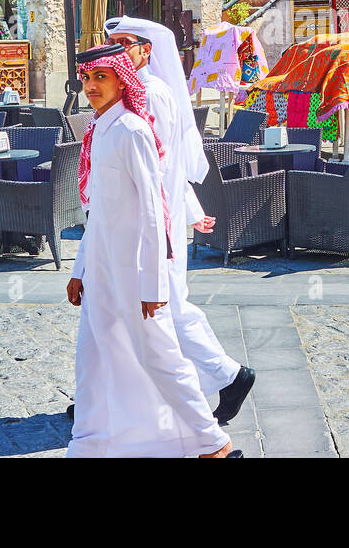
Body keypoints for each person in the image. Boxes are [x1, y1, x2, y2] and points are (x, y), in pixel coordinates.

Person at [66, 43, 235, 458]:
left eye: (100, 77)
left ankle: (214, 443)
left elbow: (152, 212)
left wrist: (153, 284)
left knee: (161, 359)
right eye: (86, 77)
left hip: (135, 272)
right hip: (101, 273)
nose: (91, 86)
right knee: (93, 360)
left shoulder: (132, 131)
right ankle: (89, 442)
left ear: (122, 80)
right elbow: (97, 214)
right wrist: (80, 268)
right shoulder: (97, 130)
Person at [103, 15, 255, 423]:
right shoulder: (131, 91)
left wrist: (178, 214)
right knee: (132, 311)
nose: (114, 50)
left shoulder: (151, 95)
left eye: (122, 43)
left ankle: (229, 376)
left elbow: (156, 167)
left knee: (165, 308)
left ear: (145, 49)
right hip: (141, 219)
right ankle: (106, 397)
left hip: (152, 223)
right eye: (110, 43)